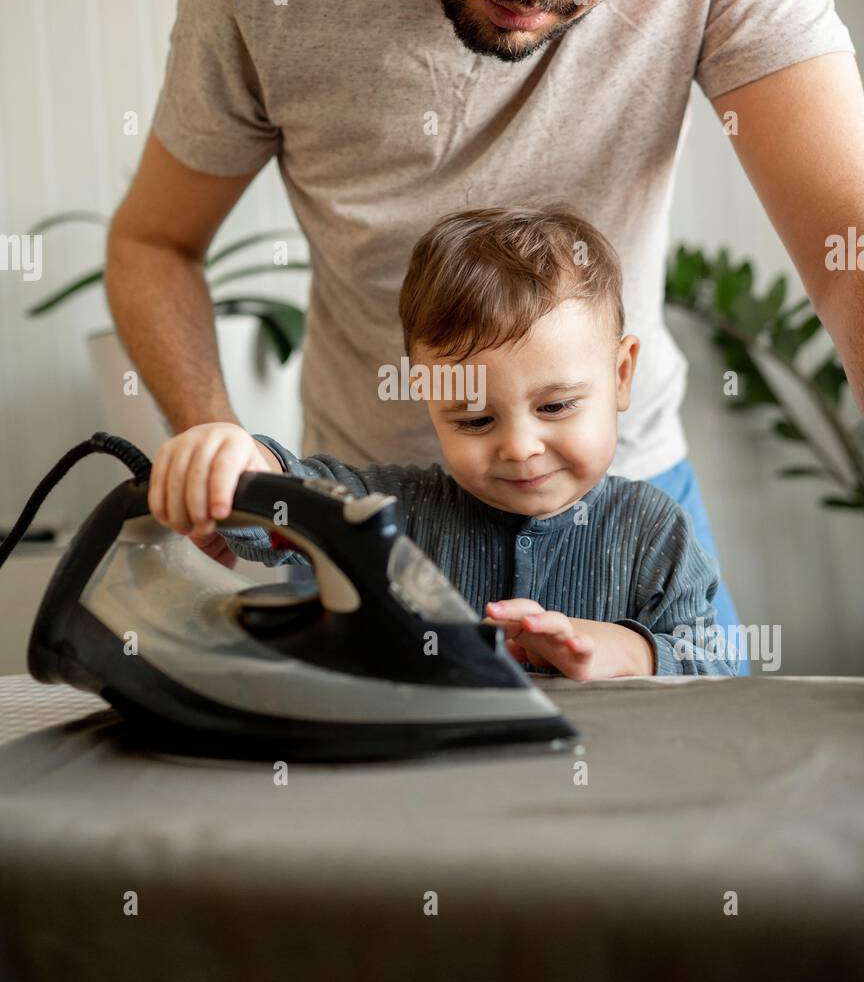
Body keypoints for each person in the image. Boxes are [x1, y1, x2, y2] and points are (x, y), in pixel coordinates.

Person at [109, 0, 864, 680]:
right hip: (367, 520)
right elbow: (154, 242)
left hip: (628, 482)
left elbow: (851, 248)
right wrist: (224, 457)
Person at [147, 208, 739, 680]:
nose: (520, 447)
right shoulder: (389, 513)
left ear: (621, 376)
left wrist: (616, 652)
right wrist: (236, 460)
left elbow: (716, 669)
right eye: (476, 421)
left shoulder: (657, 531)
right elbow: (282, 509)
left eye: (555, 407)